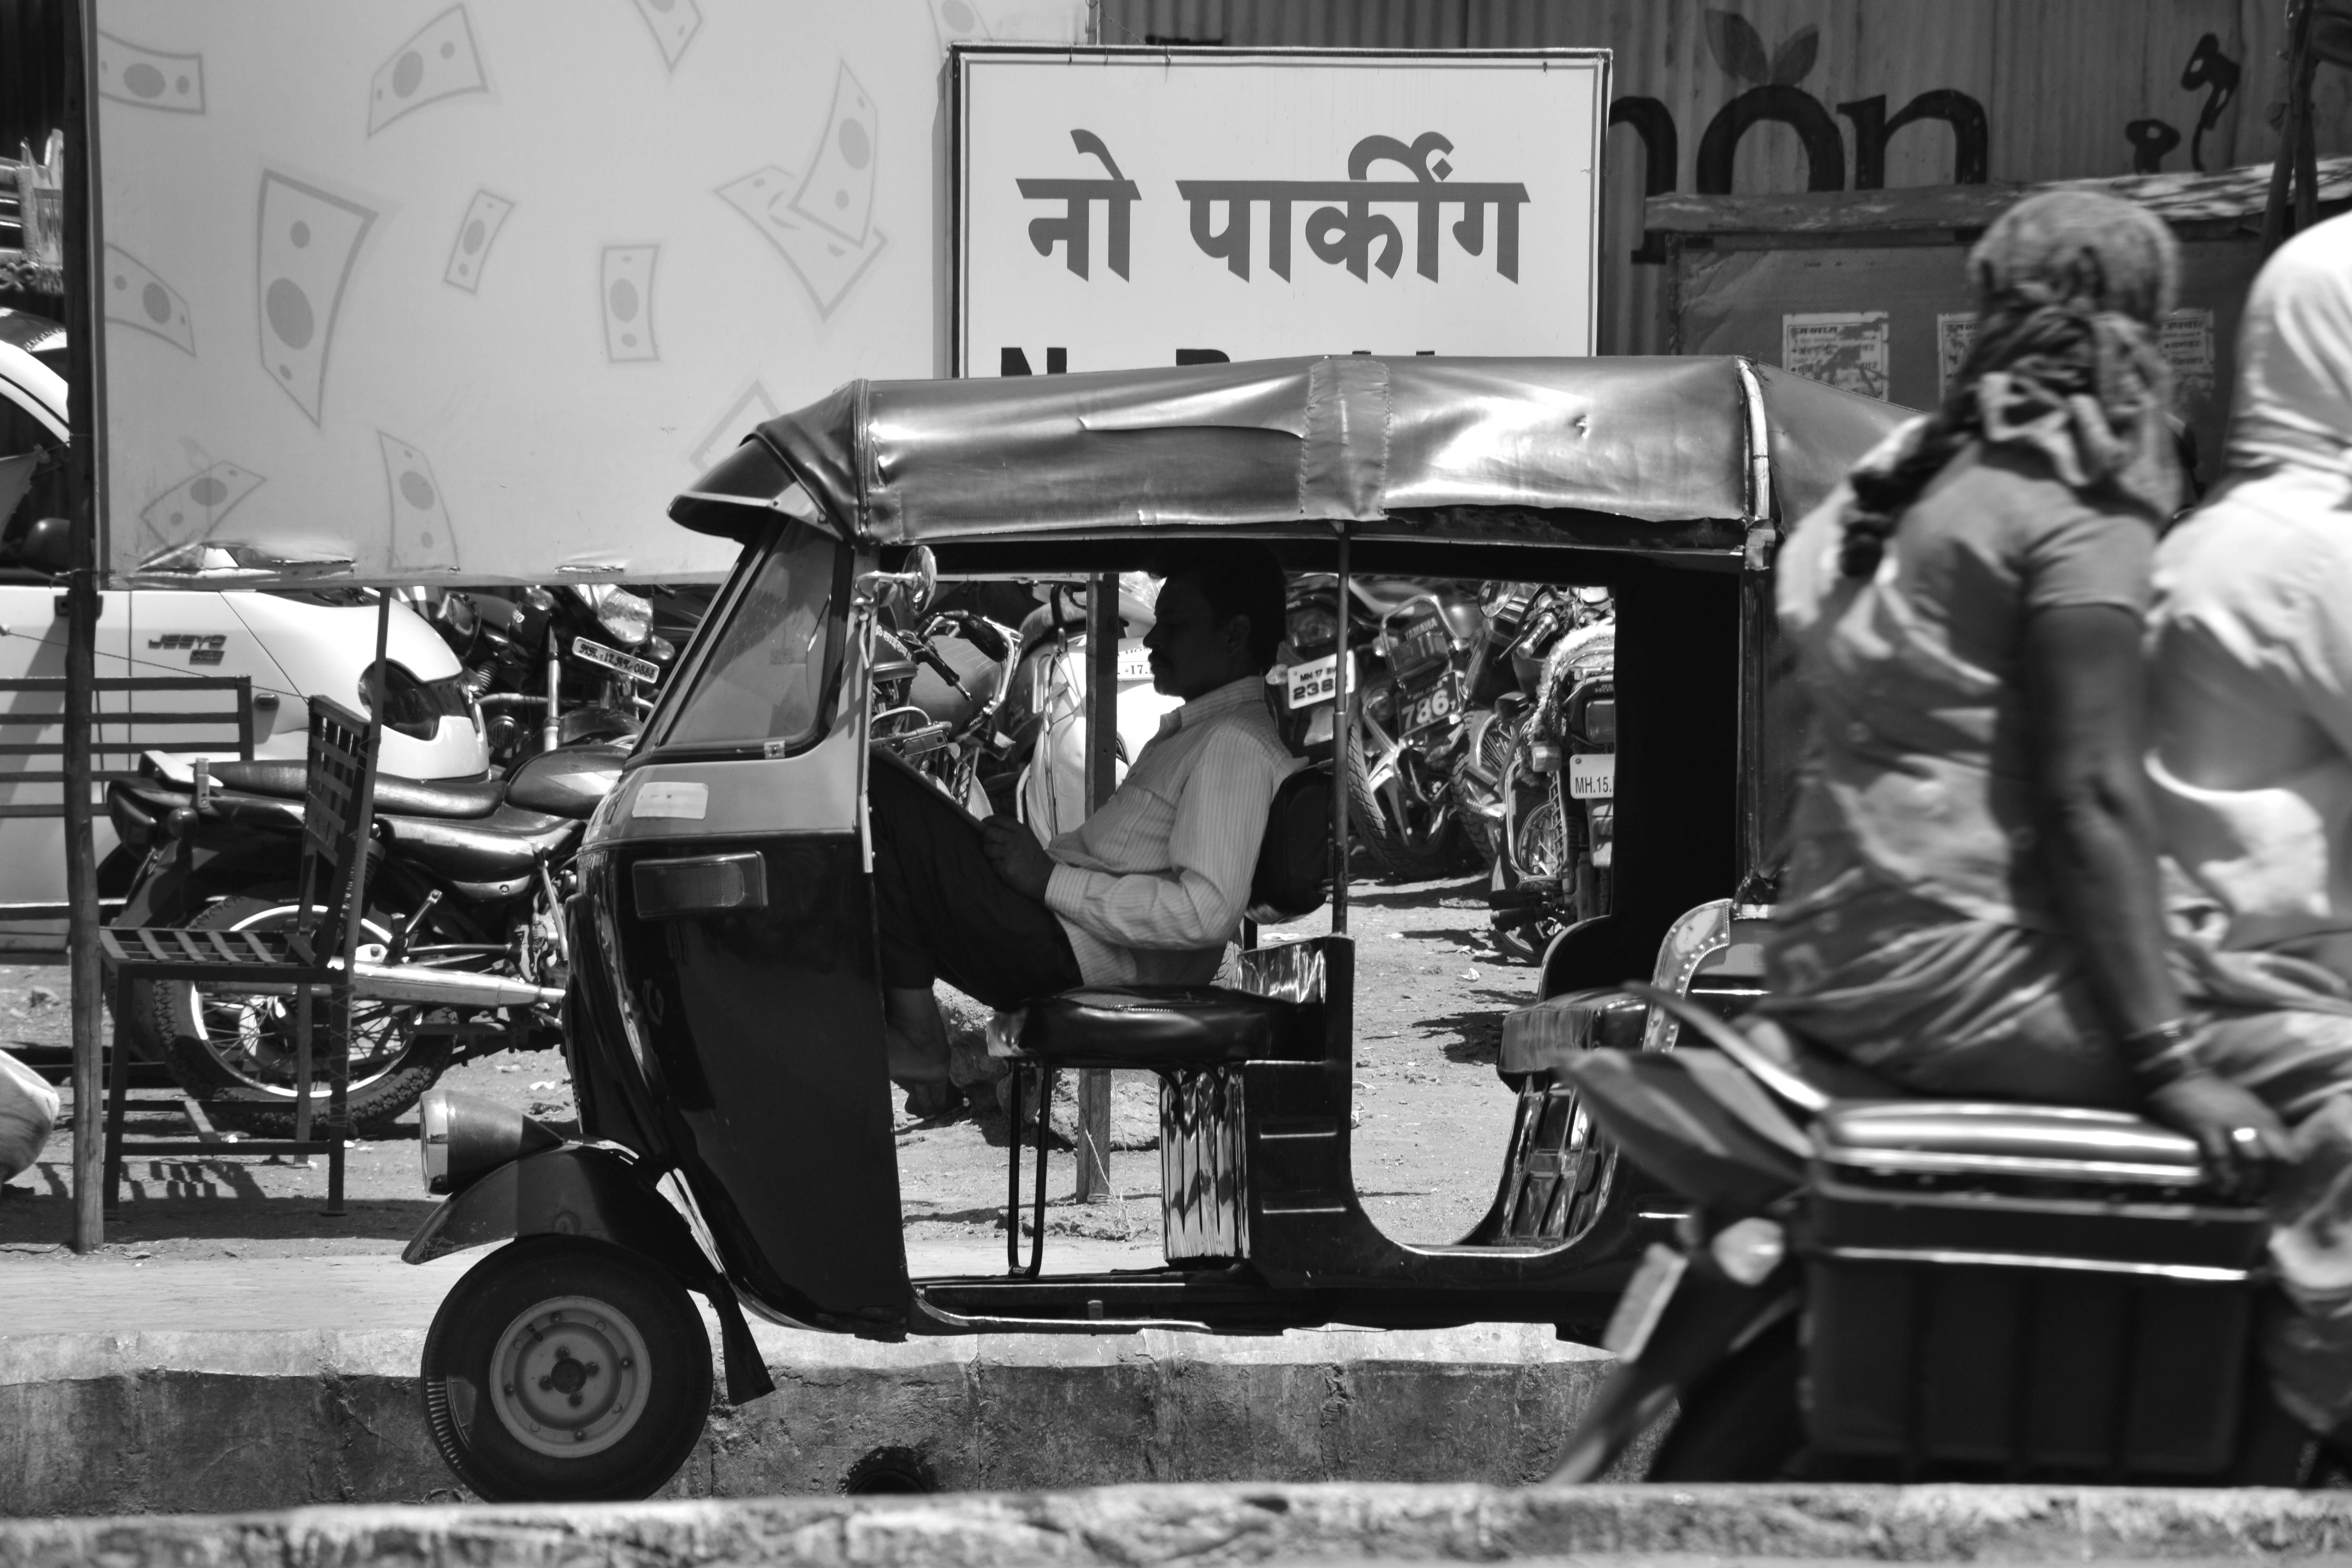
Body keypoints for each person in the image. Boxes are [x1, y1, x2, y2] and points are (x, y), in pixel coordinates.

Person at [1762, 188, 2352, 1440]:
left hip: (1842, 949)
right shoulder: (2076, 504)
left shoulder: (1903, 489)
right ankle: (2309, 1430)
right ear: (2141, 323)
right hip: (1968, 968)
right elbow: (2092, 796)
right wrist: (2169, 1066)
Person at [868, 543, 1295, 1095]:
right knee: (892, 803)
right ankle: (909, 1029)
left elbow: (1205, 913)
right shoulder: (1203, 732)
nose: (1154, 641)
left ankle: (917, 1039)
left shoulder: (1233, 744)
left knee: (879, 786)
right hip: (1060, 935)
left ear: (1234, 636)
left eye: (1175, 625)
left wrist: (1049, 881)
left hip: (1071, 956)